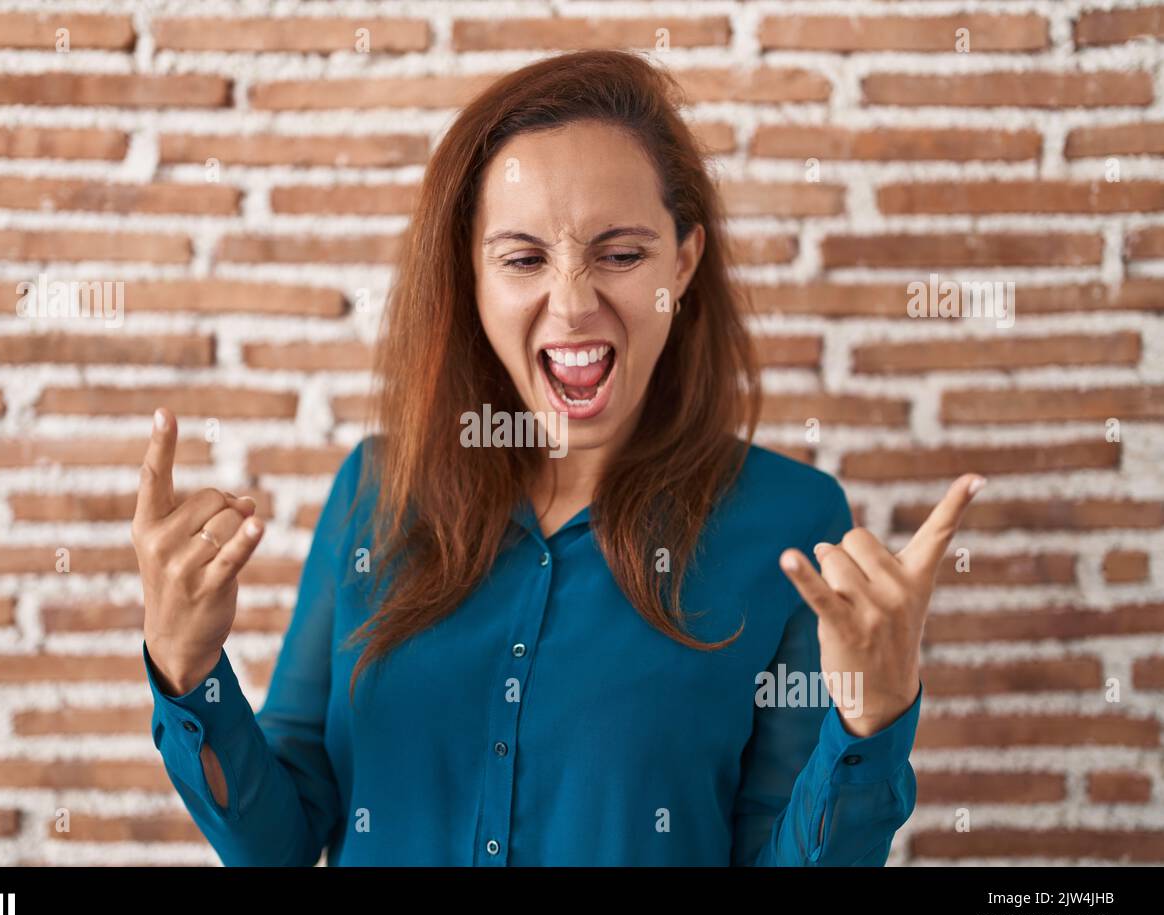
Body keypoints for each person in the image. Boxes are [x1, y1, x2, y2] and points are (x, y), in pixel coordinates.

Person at [131, 49, 985, 866]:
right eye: (524, 259)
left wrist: (871, 725)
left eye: (621, 255)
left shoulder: (792, 524)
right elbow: (277, 843)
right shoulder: (376, 489)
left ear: (682, 263)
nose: (573, 304)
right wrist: (187, 668)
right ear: (472, 274)